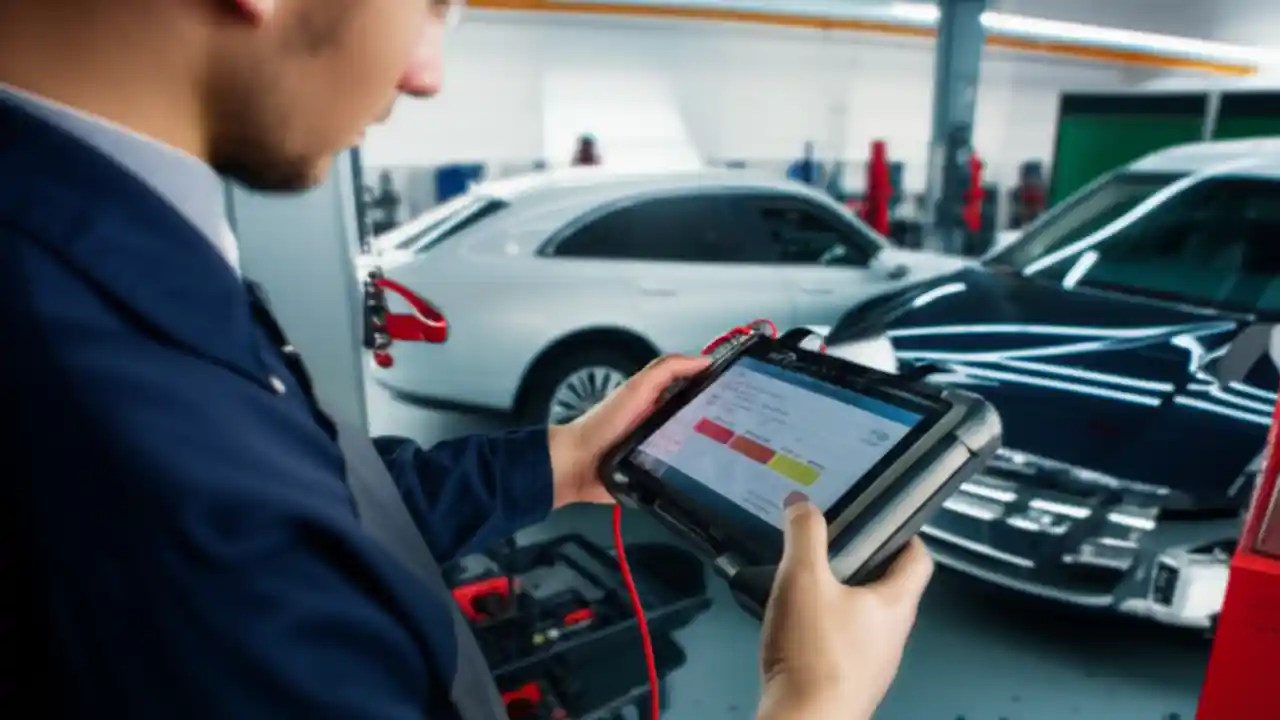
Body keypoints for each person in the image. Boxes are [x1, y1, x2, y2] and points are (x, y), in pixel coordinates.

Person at [0, 1, 933, 719]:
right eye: (432, 3)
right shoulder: (107, 413)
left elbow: (328, 494)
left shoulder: (101, 249)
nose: (425, 74)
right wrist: (812, 697)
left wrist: (561, 460)